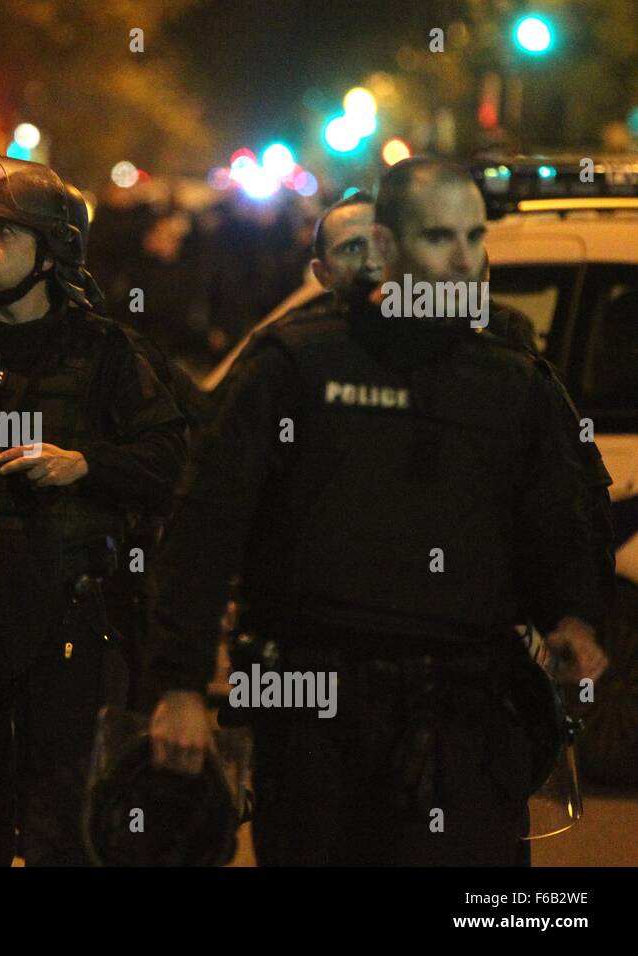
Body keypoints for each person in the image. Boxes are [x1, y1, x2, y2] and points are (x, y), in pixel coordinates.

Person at [147, 157, 610, 866]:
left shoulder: (511, 382)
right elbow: (208, 522)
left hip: (461, 712)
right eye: (438, 238)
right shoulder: (295, 365)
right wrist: (180, 685)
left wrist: (573, 617)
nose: (464, 260)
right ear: (389, 249)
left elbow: (557, 524)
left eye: (473, 237)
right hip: (312, 711)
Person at [0, 154, 185, 865]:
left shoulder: (105, 352)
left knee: (62, 819)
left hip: (69, 624)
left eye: (5, 234)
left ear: (55, 253)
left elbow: (170, 460)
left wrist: (86, 466)